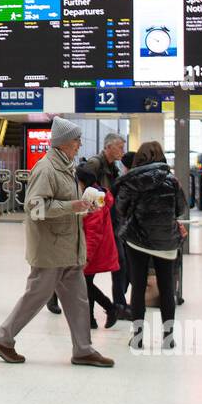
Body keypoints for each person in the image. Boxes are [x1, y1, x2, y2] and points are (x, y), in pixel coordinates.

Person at [0, 117, 114, 367]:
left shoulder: (67, 167)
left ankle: (83, 349)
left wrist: (80, 208)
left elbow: (63, 206)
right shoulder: (46, 169)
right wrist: (71, 206)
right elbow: (35, 208)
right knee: (36, 296)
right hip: (50, 249)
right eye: (76, 140)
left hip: (68, 248)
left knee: (78, 300)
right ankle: (2, 338)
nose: (79, 144)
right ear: (64, 142)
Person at [115, 140, 187, 349]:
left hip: (137, 240)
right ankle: (168, 338)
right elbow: (180, 208)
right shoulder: (172, 181)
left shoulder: (132, 181)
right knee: (166, 288)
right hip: (166, 241)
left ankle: (137, 338)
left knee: (137, 287)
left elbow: (121, 208)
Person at [83, 132, 130, 320]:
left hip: (110, 221)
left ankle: (119, 304)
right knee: (89, 271)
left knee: (119, 263)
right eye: (120, 147)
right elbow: (86, 187)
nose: (122, 151)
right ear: (108, 147)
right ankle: (91, 313)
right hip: (96, 220)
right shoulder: (96, 164)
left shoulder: (114, 167)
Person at [77, 163, 120, 329]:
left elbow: (93, 231)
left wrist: (87, 256)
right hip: (96, 248)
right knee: (86, 284)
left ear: (83, 182)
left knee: (85, 283)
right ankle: (91, 320)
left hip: (94, 250)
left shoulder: (94, 199)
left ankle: (110, 308)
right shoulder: (97, 194)